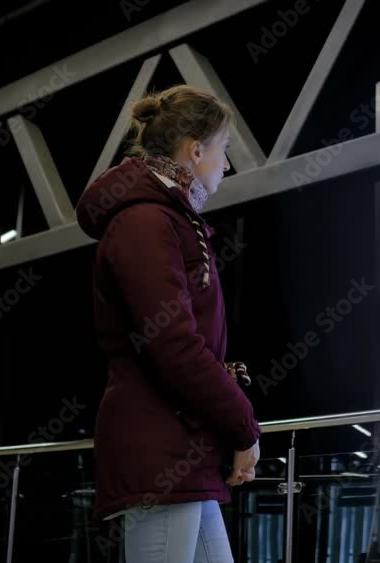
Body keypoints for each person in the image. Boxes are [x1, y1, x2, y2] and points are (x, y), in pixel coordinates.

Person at [75, 84, 260, 562]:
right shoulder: (146, 222)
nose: (227, 164)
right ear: (196, 150)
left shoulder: (164, 219)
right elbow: (173, 346)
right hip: (164, 453)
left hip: (182, 453)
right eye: (223, 151)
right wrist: (243, 428)